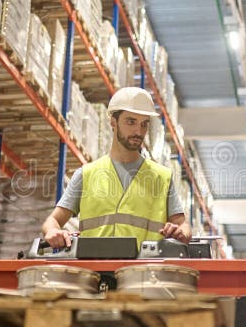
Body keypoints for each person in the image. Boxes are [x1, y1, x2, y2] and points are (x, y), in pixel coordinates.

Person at [42, 87, 192, 249]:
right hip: (96, 271)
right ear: (113, 122)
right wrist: (52, 231)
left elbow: (184, 227)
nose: (138, 131)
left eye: (144, 124)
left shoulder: (162, 177)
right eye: (131, 122)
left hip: (144, 271)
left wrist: (181, 232)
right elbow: (53, 220)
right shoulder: (86, 175)